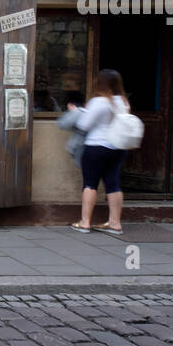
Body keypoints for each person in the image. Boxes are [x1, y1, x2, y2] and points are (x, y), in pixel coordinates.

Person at [68, 69, 130, 235]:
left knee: (90, 183)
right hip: (117, 147)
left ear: (100, 83)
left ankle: (85, 222)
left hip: (96, 146)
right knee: (113, 183)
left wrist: (77, 112)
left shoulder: (99, 102)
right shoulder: (123, 102)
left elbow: (84, 125)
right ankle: (115, 223)